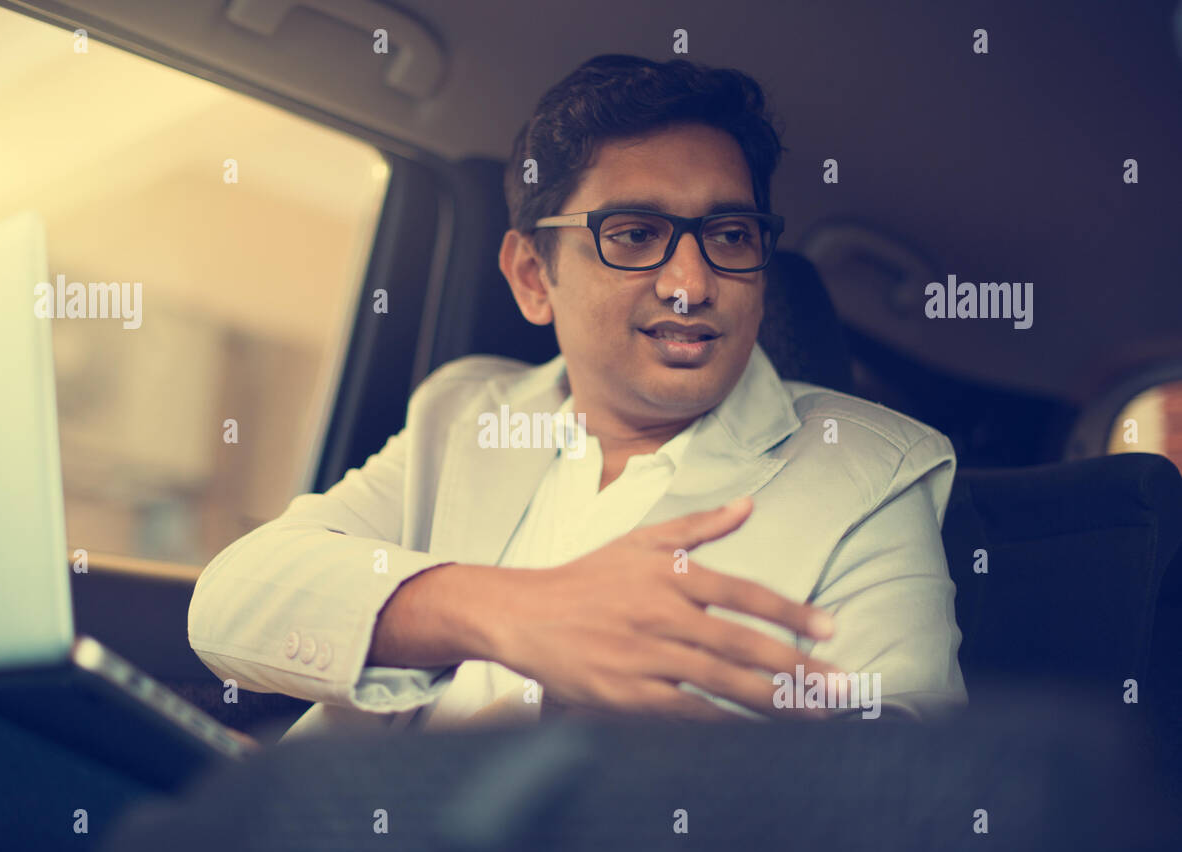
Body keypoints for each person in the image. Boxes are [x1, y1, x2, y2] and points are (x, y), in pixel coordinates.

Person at [185, 54, 968, 737]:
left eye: (729, 235)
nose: (692, 284)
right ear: (533, 276)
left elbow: (909, 779)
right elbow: (234, 601)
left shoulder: (871, 471)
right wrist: (509, 611)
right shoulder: (464, 413)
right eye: (634, 234)